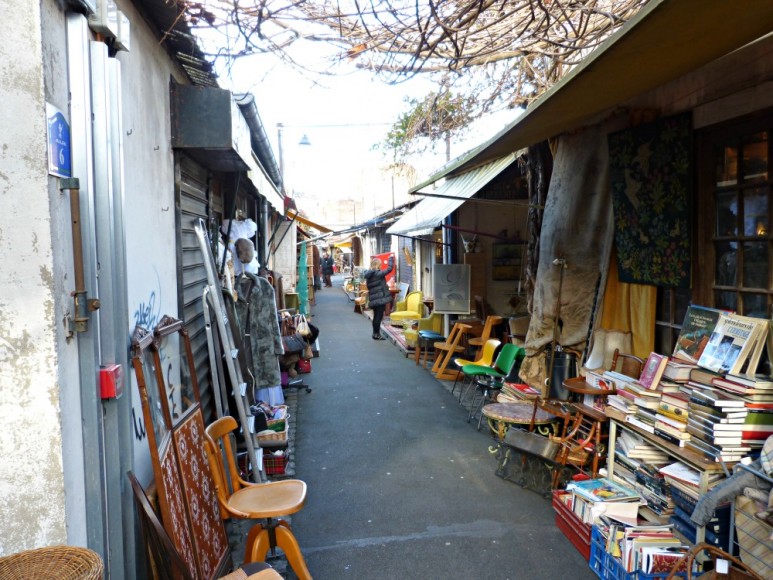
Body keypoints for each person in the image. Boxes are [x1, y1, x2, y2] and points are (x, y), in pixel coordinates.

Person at [363, 255, 394, 340]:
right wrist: (391, 258)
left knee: (376, 316)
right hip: (379, 299)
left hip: (373, 298)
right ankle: (376, 334)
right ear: (377, 265)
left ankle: (375, 333)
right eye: (380, 264)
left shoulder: (370, 274)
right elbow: (389, 269)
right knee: (378, 317)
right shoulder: (377, 274)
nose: (381, 265)